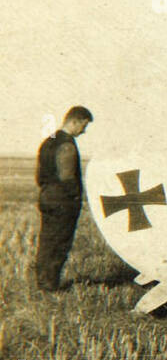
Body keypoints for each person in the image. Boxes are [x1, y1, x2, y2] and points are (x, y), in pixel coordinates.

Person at [34, 105, 93, 291]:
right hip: (63, 201)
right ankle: (51, 286)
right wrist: (76, 198)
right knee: (60, 243)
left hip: (46, 196)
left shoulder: (48, 141)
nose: (84, 131)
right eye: (84, 125)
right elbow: (67, 176)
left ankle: (43, 282)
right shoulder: (67, 144)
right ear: (75, 121)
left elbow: (39, 174)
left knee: (46, 241)